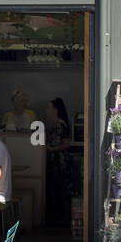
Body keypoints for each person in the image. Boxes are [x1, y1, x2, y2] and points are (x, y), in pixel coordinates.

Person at [44, 97, 76, 228]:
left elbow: (66, 143)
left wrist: (51, 148)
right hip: (57, 161)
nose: (47, 110)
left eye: (49, 107)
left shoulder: (60, 124)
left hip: (60, 162)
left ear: (56, 110)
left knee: (60, 188)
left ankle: (61, 219)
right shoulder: (57, 124)